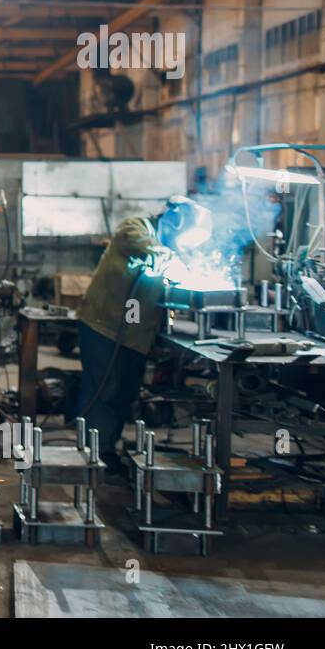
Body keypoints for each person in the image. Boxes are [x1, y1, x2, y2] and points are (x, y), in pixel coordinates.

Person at [73, 195, 211, 468]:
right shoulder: (134, 229)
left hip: (135, 336)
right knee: (104, 392)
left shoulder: (167, 246)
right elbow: (146, 249)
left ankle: (107, 448)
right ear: (174, 222)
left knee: (124, 393)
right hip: (104, 327)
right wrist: (177, 261)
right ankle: (94, 455)